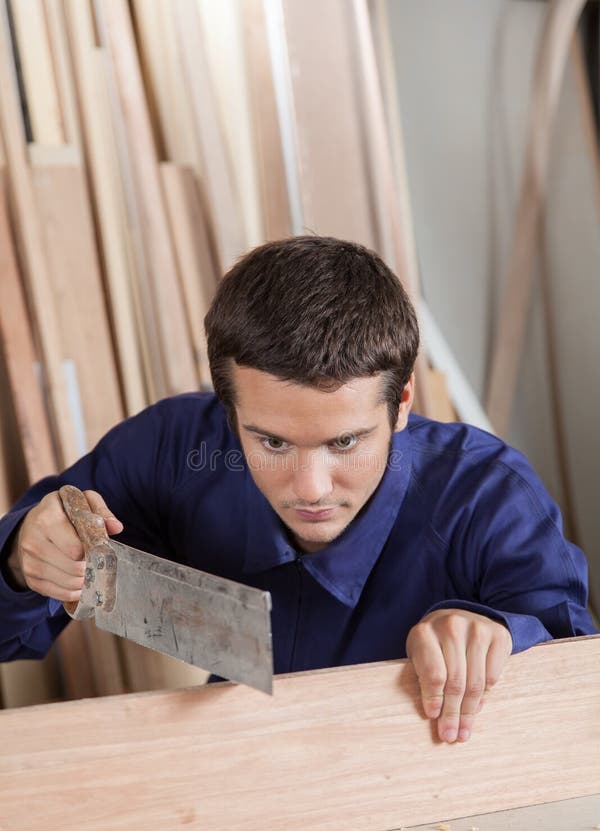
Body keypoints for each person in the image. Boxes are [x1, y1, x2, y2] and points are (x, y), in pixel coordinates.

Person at [0, 236, 595, 742]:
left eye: (346, 442)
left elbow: (577, 685)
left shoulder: (488, 496)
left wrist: (501, 633)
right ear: (228, 408)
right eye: (273, 442)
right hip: (246, 763)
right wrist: (20, 562)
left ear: (402, 402)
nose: (311, 488)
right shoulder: (169, 453)